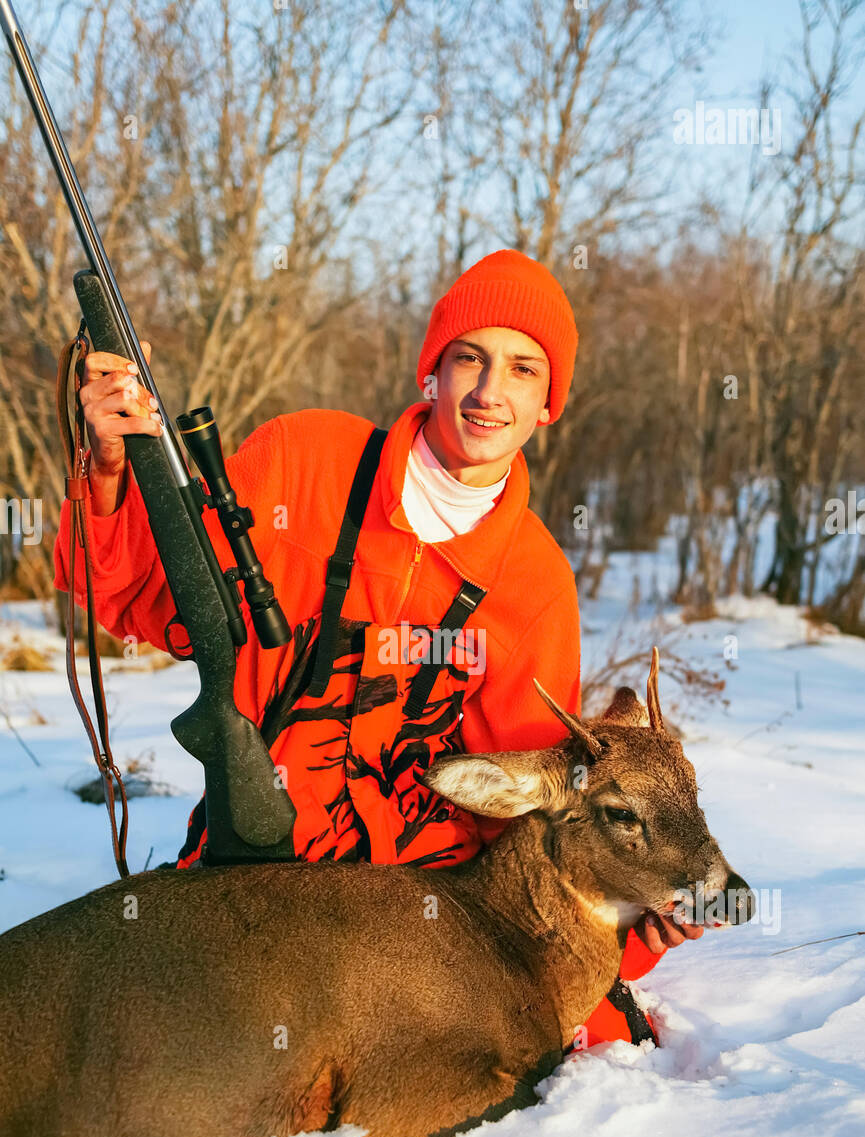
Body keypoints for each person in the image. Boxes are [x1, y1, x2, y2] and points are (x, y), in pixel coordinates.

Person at [54, 249, 702, 1048]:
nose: (490, 391)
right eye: (469, 358)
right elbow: (138, 595)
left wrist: (625, 924)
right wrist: (114, 466)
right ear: (431, 372)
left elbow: (529, 813)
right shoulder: (302, 461)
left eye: (523, 370)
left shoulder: (535, 583)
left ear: (548, 405)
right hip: (253, 854)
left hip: (420, 913)